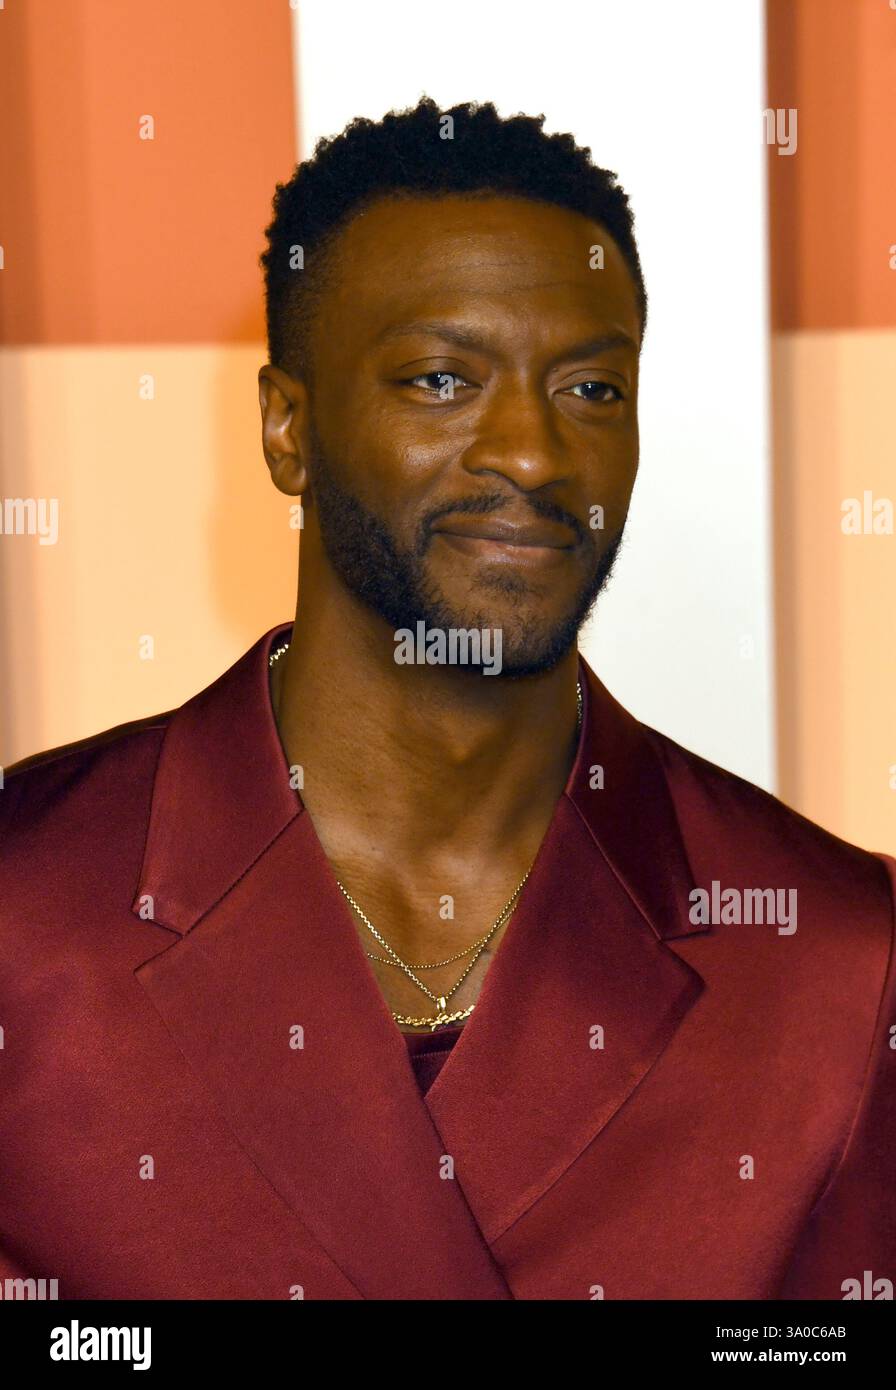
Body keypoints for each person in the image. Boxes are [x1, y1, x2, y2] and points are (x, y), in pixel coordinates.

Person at [1, 98, 893, 1302]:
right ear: (286, 427)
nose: (529, 451)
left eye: (589, 388)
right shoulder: (28, 914)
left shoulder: (832, 958)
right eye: (438, 378)